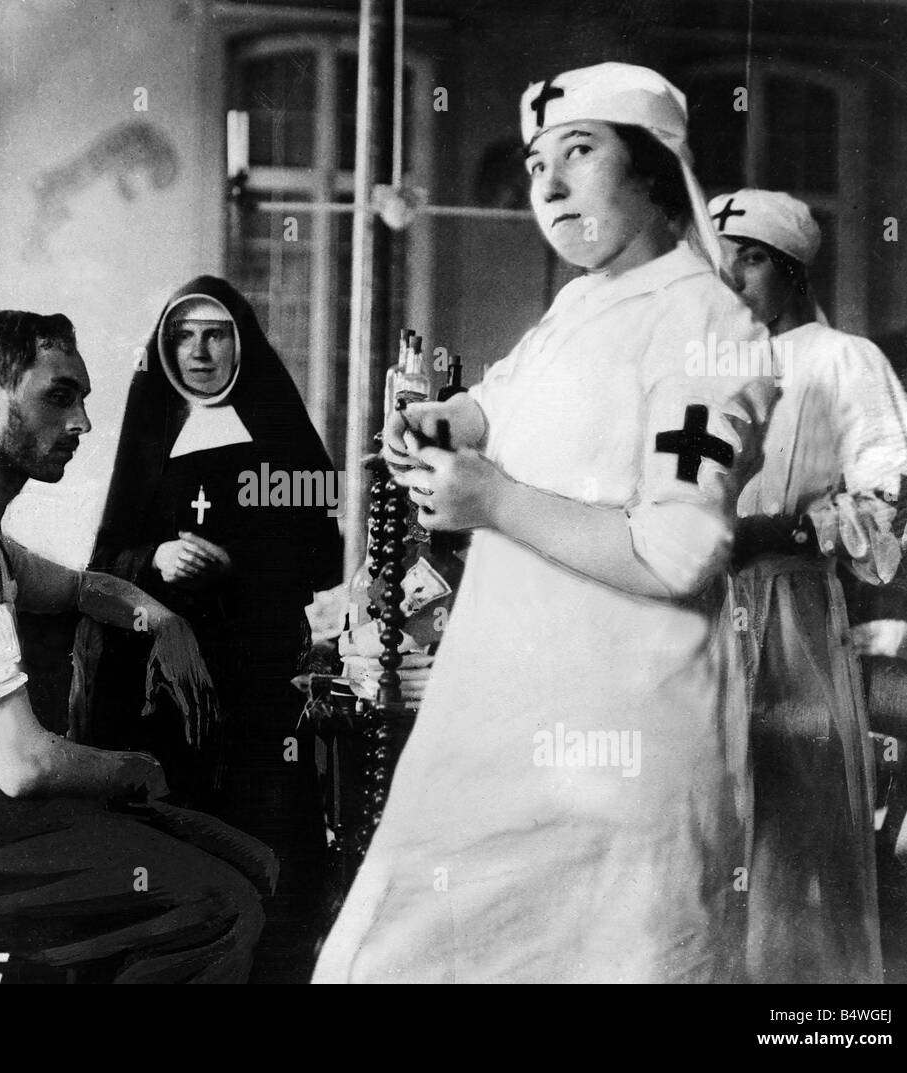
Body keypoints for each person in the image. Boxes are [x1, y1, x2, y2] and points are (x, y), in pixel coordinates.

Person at [313, 62, 777, 983]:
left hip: (623, 749)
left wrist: (493, 501)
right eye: (536, 163)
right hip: (502, 724)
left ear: (650, 170)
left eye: (579, 152)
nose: (550, 186)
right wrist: (448, 421)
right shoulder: (583, 303)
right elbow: (505, 396)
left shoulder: (705, 324)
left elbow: (680, 548)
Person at [0, 309, 273, 984]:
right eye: (59, 397)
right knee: (219, 901)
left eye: (84, 399)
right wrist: (133, 768)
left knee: (251, 861)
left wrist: (163, 622)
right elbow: (22, 763)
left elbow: (77, 588)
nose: (82, 424)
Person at [87, 277, 342, 981]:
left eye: (215, 334)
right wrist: (156, 557)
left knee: (269, 842)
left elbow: (325, 554)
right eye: (183, 336)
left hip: (261, 680)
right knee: (182, 858)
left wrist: (239, 562)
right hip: (170, 689)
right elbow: (104, 560)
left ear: (242, 341)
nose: (197, 351)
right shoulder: (151, 432)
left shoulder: (282, 431)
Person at [710, 188, 907, 983]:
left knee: (793, 830)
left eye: (753, 259)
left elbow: (887, 498)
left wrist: (779, 531)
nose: (733, 278)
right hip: (700, 614)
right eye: (721, 261)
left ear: (794, 270)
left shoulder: (842, 360)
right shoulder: (709, 368)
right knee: (708, 824)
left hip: (789, 612)